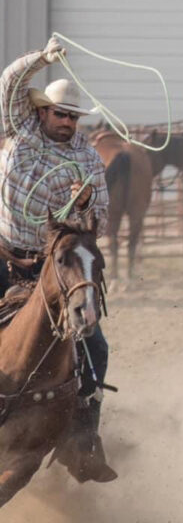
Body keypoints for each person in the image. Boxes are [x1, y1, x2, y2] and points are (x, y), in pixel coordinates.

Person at [0, 37, 115, 482]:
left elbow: (98, 222)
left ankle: (82, 442)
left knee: (95, 347)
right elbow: (9, 84)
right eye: (60, 113)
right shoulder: (20, 131)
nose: (67, 122)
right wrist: (43, 59)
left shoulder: (87, 158)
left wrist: (84, 205)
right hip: (4, 248)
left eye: (73, 116)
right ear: (43, 111)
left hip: (53, 266)